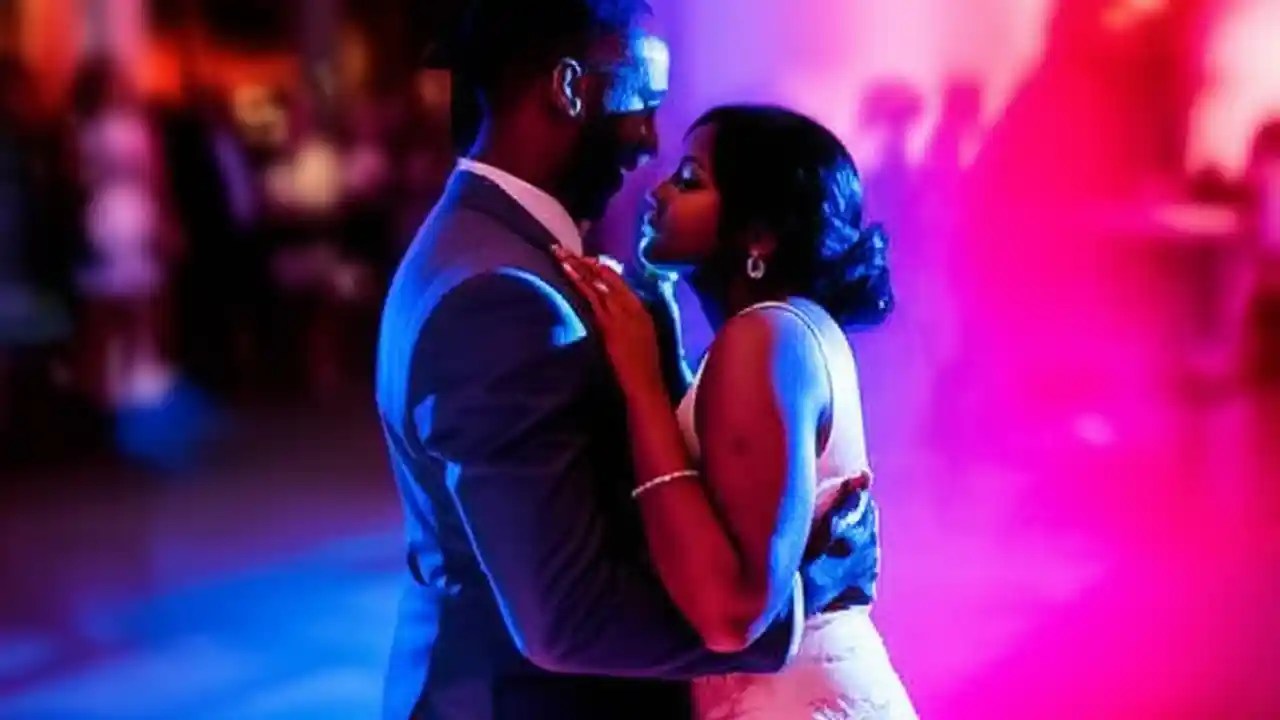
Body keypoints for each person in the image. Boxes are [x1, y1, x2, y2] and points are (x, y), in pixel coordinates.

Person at [374, 2, 873, 718]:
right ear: (570, 89)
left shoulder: (487, 248)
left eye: (691, 174)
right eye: (642, 104)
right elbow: (567, 619)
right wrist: (804, 604)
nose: (648, 143)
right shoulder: (501, 291)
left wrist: (660, 367)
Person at [558, 105, 917, 719]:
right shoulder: (779, 332)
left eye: (692, 180)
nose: (659, 192)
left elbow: (733, 614)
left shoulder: (765, 336)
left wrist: (642, 384)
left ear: (758, 235)